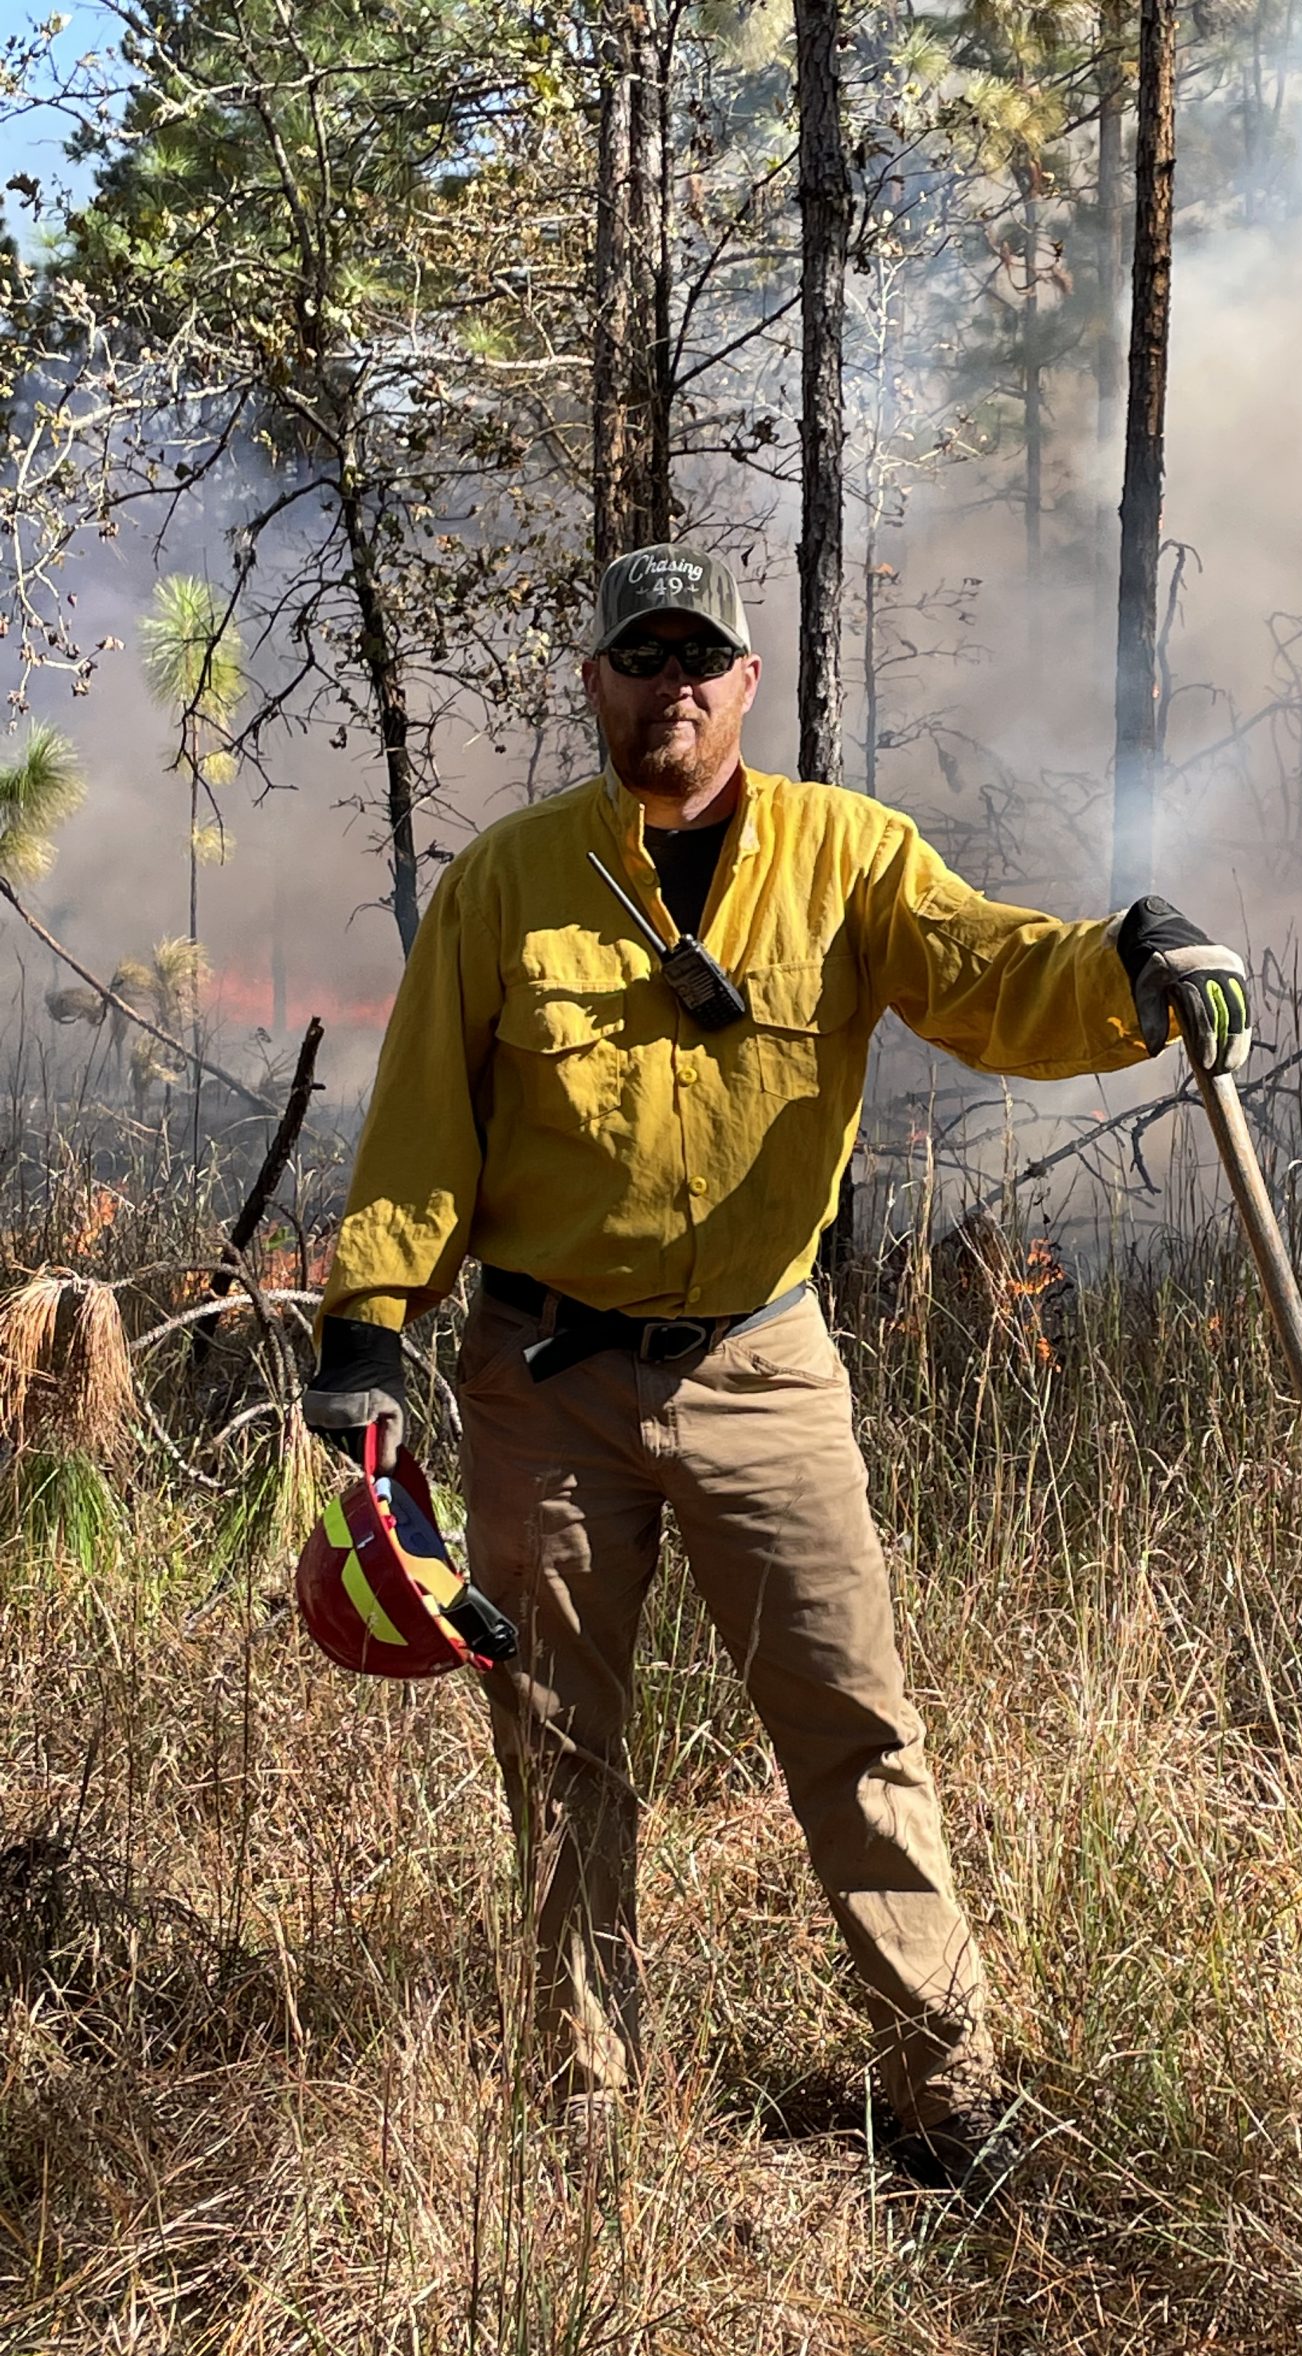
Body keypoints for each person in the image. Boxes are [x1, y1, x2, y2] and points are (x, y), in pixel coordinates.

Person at [303, 544, 1252, 2184]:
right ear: (592, 682)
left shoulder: (848, 856)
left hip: (766, 1367)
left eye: (701, 658)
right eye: (639, 655)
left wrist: (1130, 969)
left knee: (851, 1718)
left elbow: (990, 974)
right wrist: (367, 1323)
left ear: (748, 683)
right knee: (558, 1741)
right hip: (546, 1378)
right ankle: (586, 2097)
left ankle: (944, 2087)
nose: (670, 682)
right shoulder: (508, 882)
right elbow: (422, 1130)